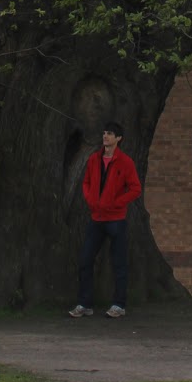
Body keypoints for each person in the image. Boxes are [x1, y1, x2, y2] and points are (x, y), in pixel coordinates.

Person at [68, 120, 142, 319]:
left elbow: (135, 189)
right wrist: (91, 199)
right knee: (85, 260)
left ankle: (119, 305)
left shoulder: (125, 162)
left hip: (116, 219)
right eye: (104, 133)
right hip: (96, 218)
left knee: (119, 263)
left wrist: (117, 202)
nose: (105, 136)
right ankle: (85, 304)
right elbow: (86, 182)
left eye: (109, 133)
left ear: (118, 138)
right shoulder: (94, 159)